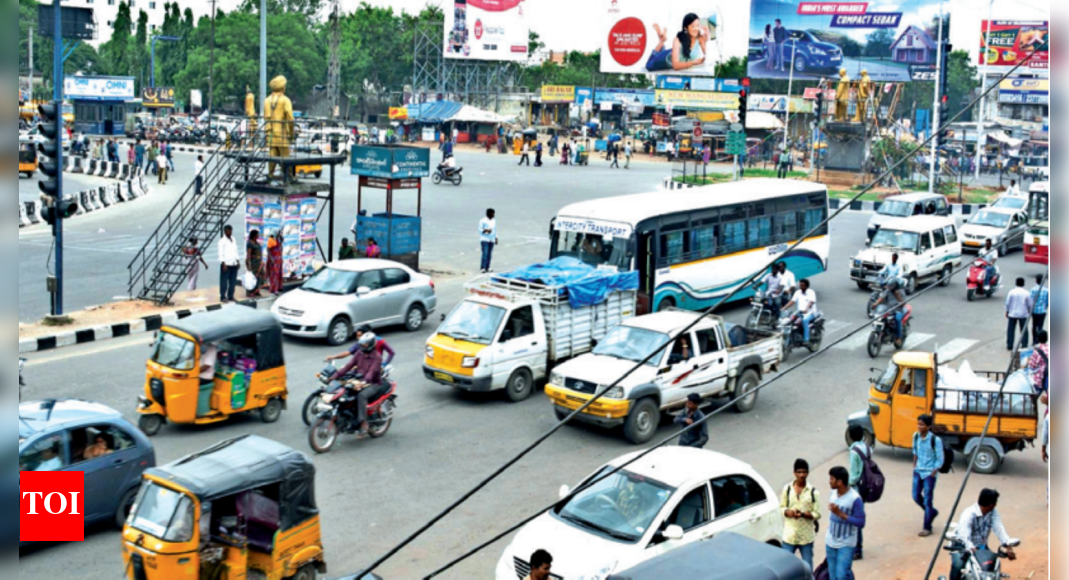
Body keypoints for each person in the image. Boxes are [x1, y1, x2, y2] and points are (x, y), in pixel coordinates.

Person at [950, 489, 1017, 580]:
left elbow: (999, 529)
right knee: (958, 565)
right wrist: (972, 548)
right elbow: (964, 536)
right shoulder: (968, 514)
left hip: (981, 547)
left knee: (994, 565)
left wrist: (1008, 546)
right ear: (991, 504)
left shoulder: (993, 512)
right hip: (962, 545)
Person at [329, 332, 385, 435]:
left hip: (373, 383)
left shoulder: (377, 357)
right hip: (358, 380)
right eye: (362, 344)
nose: (363, 346)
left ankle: (363, 422)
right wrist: (334, 376)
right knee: (343, 392)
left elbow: (371, 373)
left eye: (365, 344)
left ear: (371, 344)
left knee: (361, 395)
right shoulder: (359, 353)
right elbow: (348, 366)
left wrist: (362, 383)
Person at [826, 466, 866, 580]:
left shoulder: (855, 498)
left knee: (842, 575)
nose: (829, 481)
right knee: (833, 576)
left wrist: (841, 514)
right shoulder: (833, 493)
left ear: (839, 482)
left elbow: (861, 522)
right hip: (830, 541)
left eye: (832, 479)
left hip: (846, 543)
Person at [780, 459, 821, 569]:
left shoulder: (813, 492)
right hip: (789, 536)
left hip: (806, 537)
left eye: (804, 472)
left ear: (808, 473)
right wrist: (788, 512)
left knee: (808, 567)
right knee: (785, 566)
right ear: (794, 473)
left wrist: (803, 514)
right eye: (799, 472)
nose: (802, 475)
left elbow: (817, 514)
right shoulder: (787, 489)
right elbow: (782, 507)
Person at [912, 414, 944, 537]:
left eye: (922, 424)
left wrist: (933, 472)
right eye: (918, 424)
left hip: (929, 473)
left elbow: (940, 458)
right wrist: (914, 465)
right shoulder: (915, 436)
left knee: (927, 499)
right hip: (918, 471)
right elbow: (915, 451)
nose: (919, 426)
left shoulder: (935, 440)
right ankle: (931, 512)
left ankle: (927, 527)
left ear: (928, 426)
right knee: (915, 496)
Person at [847, 425, 871, 560]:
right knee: (858, 516)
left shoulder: (854, 452)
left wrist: (846, 485)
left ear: (850, 436)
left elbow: (854, 475)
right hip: (865, 487)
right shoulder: (867, 448)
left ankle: (857, 549)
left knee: (855, 519)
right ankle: (857, 547)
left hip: (856, 489)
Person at [326, 324, 397, 368]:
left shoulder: (380, 341)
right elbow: (347, 353)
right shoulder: (359, 344)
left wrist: (384, 365)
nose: (357, 338)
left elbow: (391, 352)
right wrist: (333, 357)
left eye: (359, 336)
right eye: (357, 336)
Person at [871, 278, 908, 345]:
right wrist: (875, 304)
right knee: (881, 317)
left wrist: (898, 296)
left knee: (897, 319)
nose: (889, 287)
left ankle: (898, 338)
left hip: (898, 310)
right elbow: (881, 298)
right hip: (888, 309)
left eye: (891, 286)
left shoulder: (901, 292)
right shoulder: (888, 291)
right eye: (889, 286)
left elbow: (904, 304)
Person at [783, 278, 819, 345]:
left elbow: (811, 302)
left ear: (807, 286)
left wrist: (807, 308)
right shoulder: (798, 292)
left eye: (802, 285)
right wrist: (784, 308)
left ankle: (806, 339)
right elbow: (792, 301)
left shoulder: (811, 292)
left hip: (811, 313)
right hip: (800, 313)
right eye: (800, 285)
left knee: (805, 320)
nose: (801, 287)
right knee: (789, 320)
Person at [1005, 278, 1033, 351]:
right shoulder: (1026, 293)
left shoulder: (1011, 292)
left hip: (1012, 313)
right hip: (1023, 314)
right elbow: (1030, 304)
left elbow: (1007, 303)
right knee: (1024, 329)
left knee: (1011, 329)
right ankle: (1024, 344)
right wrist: (1029, 311)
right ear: (1023, 284)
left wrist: (1007, 311)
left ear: (1016, 283)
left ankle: (1010, 345)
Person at [218, 225, 241, 303]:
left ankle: (230, 296)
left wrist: (238, 261)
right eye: (228, 231)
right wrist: (223, 263)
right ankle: (222, 296)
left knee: (233, 281)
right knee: (224, 281)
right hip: (226, 264)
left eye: (231, 230)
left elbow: (235, 251)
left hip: (233, 263)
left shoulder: (233, 239)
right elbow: (221, 253)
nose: (230, 232)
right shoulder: (222, 241)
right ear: (225, 231)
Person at [1029, 275, 1049, 346]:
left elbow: (1030, 300)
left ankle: (1034, 340)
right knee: (1040, 326)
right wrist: (1045, 307)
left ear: (1036, 281)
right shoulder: (1046, 290)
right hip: (1042, 311)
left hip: (1034, 311)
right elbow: (1047, 302)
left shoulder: (1033, 289)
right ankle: (1039, 340)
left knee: (1034, 326)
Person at [245, 230, 265, 298]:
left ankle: (256, 291)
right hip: (254, 263)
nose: (258, 236)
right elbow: (249, 255)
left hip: (259, 263)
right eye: (257, 235)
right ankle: (250, 291)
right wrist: (249, 265)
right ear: (254, 236)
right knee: (253, 278)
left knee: (259, 277)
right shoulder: (250, 244)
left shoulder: (256, 243)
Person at [480, 208, 498, 274]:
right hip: (484, 239)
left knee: (489, 254)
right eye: (492, 213)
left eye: (493, 213)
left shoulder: (494, 221)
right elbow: (480, 229)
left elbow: (495, 229)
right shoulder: (483, 221)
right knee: (485, 253)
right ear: (487, 213)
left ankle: (488, 267)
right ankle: (483, 267)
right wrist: (486, 231)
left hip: (491, 239)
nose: (493, 215)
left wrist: (496, 238)